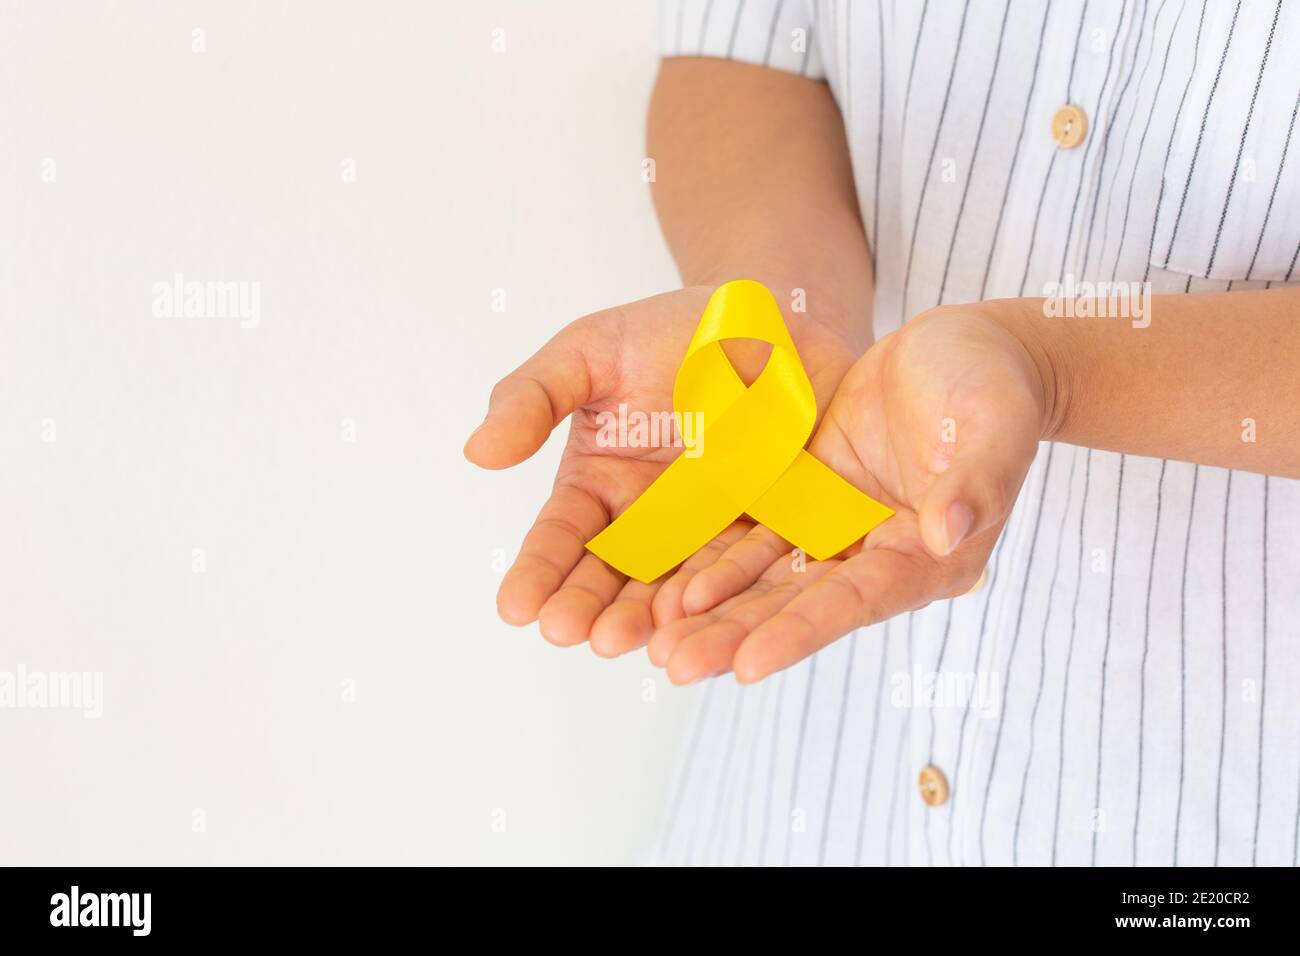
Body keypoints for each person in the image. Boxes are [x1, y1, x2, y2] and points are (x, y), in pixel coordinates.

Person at [465, 0, 1300, 866]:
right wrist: (786, 313)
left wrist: (1051, 365)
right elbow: (740, 51)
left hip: (1204, 791)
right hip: (813, 773)